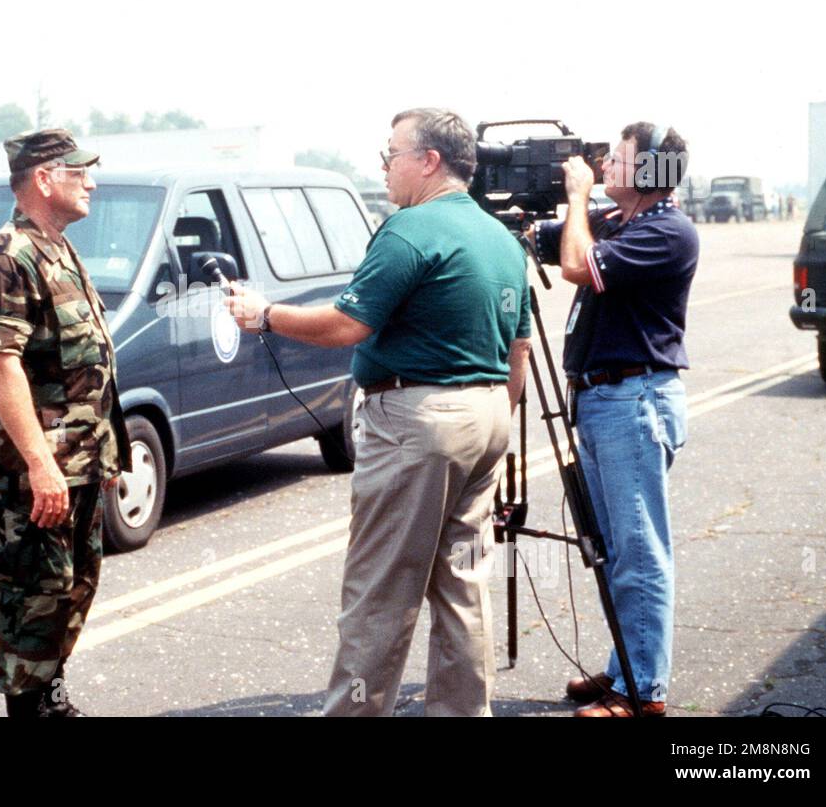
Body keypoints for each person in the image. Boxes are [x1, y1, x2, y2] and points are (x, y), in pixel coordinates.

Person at [224, 108, 531, 716]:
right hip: (489, 416)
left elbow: (346, 323)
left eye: (391, 154)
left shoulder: (409, 230)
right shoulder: (501, 237)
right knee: (463, 587)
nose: (385, 167)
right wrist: (485, 410)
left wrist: (266, 315)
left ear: (429, 161)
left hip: (420, 426)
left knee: (380, 594)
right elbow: (517, 353)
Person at [529, 122, 698, 717]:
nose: (605, 167)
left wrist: (576, 197)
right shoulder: (618, 221)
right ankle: (625, 665)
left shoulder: (668, 232)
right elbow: (545, 239)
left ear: (653, 173)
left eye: (621, 160)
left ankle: (642, 691)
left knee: (640, 551)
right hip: (604, 402)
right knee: (613, 550)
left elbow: (576, 264)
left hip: (635, 402)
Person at [0, 129, 131, 718]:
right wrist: (40, 465)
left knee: (71, 596)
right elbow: (0, 366)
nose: (91, 182)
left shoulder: (56, 247)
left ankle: (54, 706)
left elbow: (87, 364)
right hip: (36, 478)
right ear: (43, 178)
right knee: (33, 607)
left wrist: (106, 456)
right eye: (78, 171)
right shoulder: (8, 257)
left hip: (80, 467)